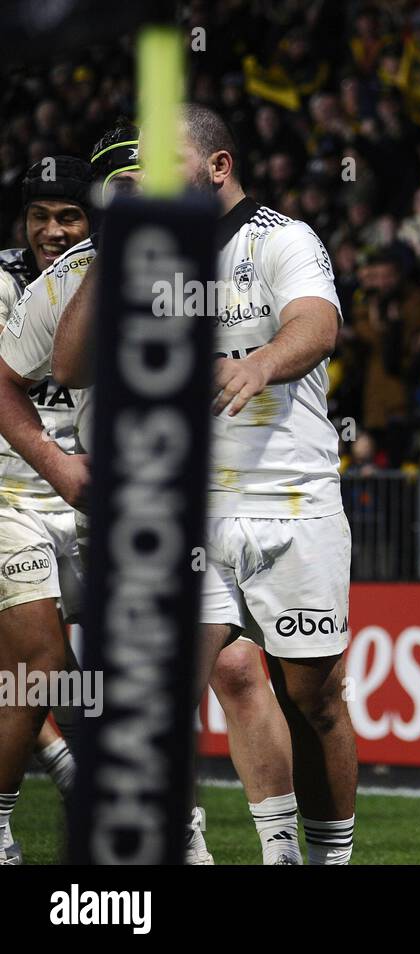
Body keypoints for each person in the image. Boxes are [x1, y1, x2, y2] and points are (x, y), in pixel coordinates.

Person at [53, 111, 356, 864]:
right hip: (187, 507)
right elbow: (69, 367)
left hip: (293, 498)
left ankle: (322, 860)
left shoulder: (280, 239)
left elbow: (316, 324)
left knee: (315, 699)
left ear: (217, 167)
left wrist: (260, 363)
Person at [0, 157, 94, 865]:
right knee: (39, 659)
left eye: (67, 216)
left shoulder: (124, 274)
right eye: (40, 216)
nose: (51, 231)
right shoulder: (2, 283)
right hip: (12, 495)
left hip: (98, 497)